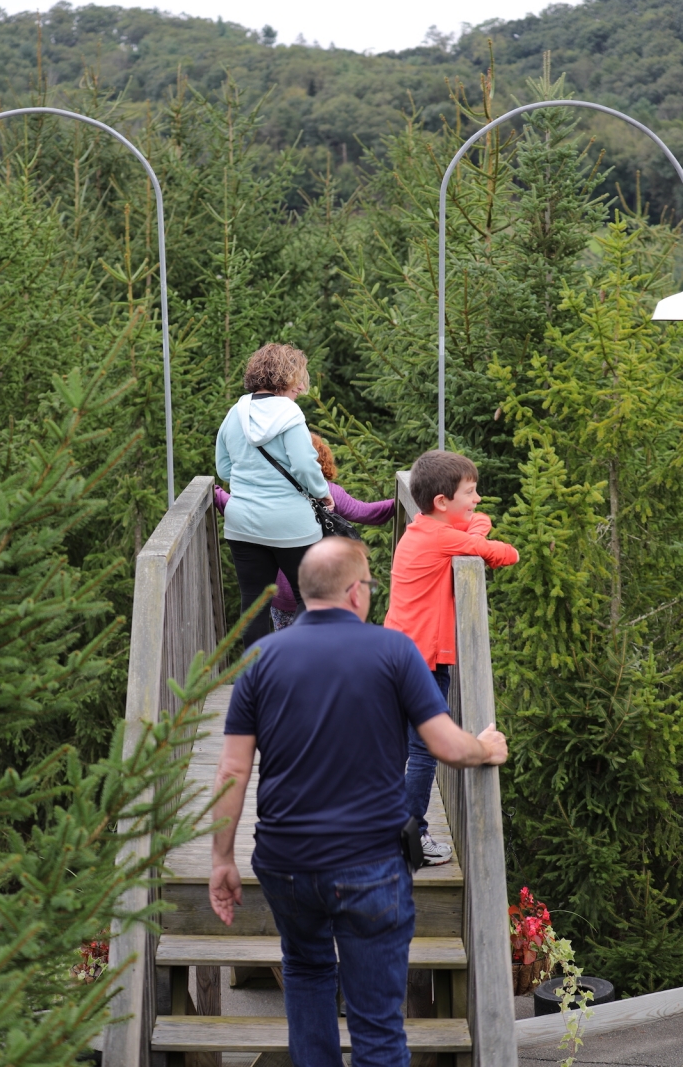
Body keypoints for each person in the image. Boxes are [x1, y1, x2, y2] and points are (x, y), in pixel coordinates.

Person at [208, 537, 508, 1067]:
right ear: (354, 592)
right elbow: (445, 745)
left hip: (285, 862)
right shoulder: (394, 651)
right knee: (377, 1028)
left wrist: (222, 859)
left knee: (306, 969)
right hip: (370, 863)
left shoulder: (260, 659)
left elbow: (232, 770)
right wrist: (485, 747)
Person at [384, 450, 519, 865]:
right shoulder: (443, 538)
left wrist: (474, 529)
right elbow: (505, 553)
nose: (477, 499)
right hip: (424, 661)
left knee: (396, 748)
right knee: (425, 750)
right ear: (442, 502)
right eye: (470, 492)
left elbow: (479, 529)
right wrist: (477, 534)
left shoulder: (423, 529)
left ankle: (384, 826)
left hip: (395, 654)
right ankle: (412, 837)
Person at [215, 343, 333, 647]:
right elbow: (304, 466)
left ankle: (256, 674)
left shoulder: (235, 412)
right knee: (312, 599)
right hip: (292, 525)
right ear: (284, 377)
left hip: (242, 524)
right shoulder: (290, 413)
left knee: (253, 605)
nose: (301, 388)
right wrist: (322, 493)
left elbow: (224, 468)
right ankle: (295, 666)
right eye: (299, 379)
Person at [214, 433, 395, 630]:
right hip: (325, 593)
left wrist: (215, 492)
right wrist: (402, 500)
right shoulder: (329, 492)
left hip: (282, 597)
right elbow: (368, 512)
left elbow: (235, 508)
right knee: (321, 644)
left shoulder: (270, 497)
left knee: (288, 644)